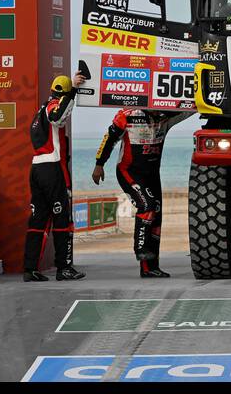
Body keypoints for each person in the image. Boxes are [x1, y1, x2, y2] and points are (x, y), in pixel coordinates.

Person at [92, 108, 192, 277]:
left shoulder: (167, 115)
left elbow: (190, 110)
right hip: (129, 172)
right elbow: (109, 138)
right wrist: (99, 164)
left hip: (152, 175)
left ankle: (149, 268)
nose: (156, 112)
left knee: (156, 217)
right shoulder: (127, 115)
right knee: (147, 206)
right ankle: (140, 248)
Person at [23, 73, 87, 282]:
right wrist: (74, 91)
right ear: (64, 94)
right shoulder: (52, 106)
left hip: (37, 169)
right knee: (63, 221)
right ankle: (64, 268)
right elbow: (58, 116)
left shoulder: (40, 110)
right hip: (51, 169)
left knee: (38, 221)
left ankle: (30, 269)